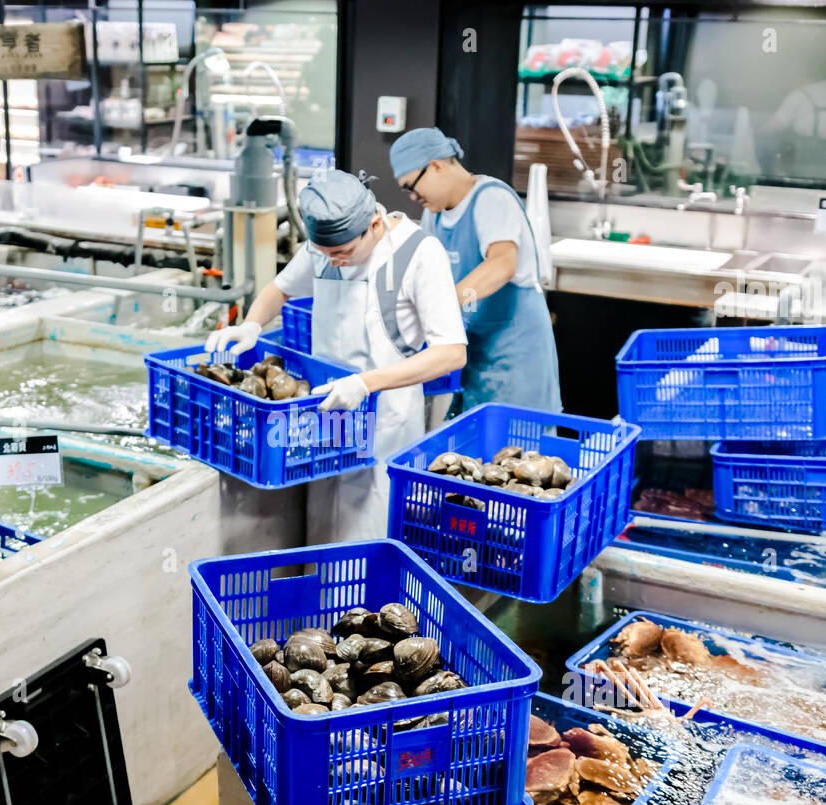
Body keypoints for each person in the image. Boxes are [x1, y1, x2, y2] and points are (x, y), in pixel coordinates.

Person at [204, 169, 467, 543]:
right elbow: (279, 289)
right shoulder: (323, 249)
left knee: (369, 537)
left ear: (375, 223)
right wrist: (251, 325)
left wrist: (365, 383)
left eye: (343, 252)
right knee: (324, 536)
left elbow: (451, 354)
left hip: (385, 428)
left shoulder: (418, 255)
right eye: (325, 253)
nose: (333, 261)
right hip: (326, 421)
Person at [389, 127, 561, 417]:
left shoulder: (491, 198)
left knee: (523, 452)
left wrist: (442, 304)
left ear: (435, 166)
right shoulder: (435, 213)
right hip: (475, 353)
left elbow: (501, 264)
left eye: (411, 187)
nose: (412, 198)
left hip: (515, 354)